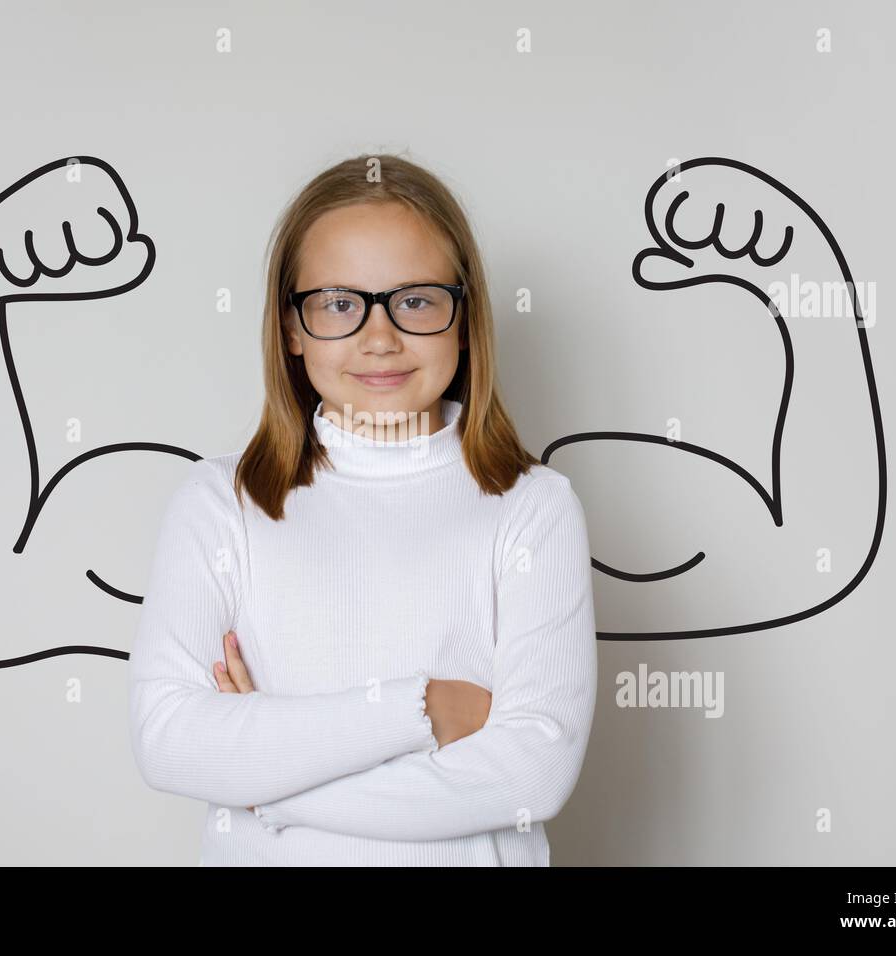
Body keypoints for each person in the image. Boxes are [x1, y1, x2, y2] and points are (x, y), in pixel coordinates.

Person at [128, 153, 598, 866]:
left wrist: (269, 783)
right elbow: (171, 742)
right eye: (340, 304)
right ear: (290, 327)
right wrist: (420, 710)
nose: (379, 337)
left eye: (414, 300)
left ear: (464, 319)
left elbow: (531, 776)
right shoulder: (221, 504)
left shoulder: (532, 508)